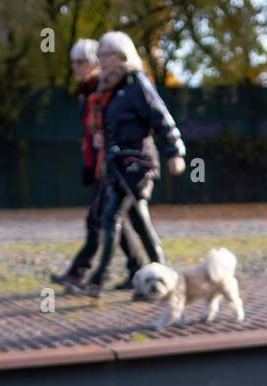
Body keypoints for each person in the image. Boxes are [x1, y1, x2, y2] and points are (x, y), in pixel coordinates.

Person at [76, 31, 186, 297]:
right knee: (140, 223)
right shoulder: (112, 88)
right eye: (99, 55)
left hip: (138, 165)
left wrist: (175, 152)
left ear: (122, 55)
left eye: (106, 55)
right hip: (118, 166)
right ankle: (165, 277)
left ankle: (97, 281)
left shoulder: (137, 85)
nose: (101, 60)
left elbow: (162, 118)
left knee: (110, 216)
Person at [52, 38, 143, 290]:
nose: (76, 68)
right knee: (116, 220)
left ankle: (85, 274)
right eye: (74, 63)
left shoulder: (104, 92)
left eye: (81, 62)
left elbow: (108, 132)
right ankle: (137, 270)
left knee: (100, 219)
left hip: (117, 166)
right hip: (106, 166)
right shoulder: (90, 94)